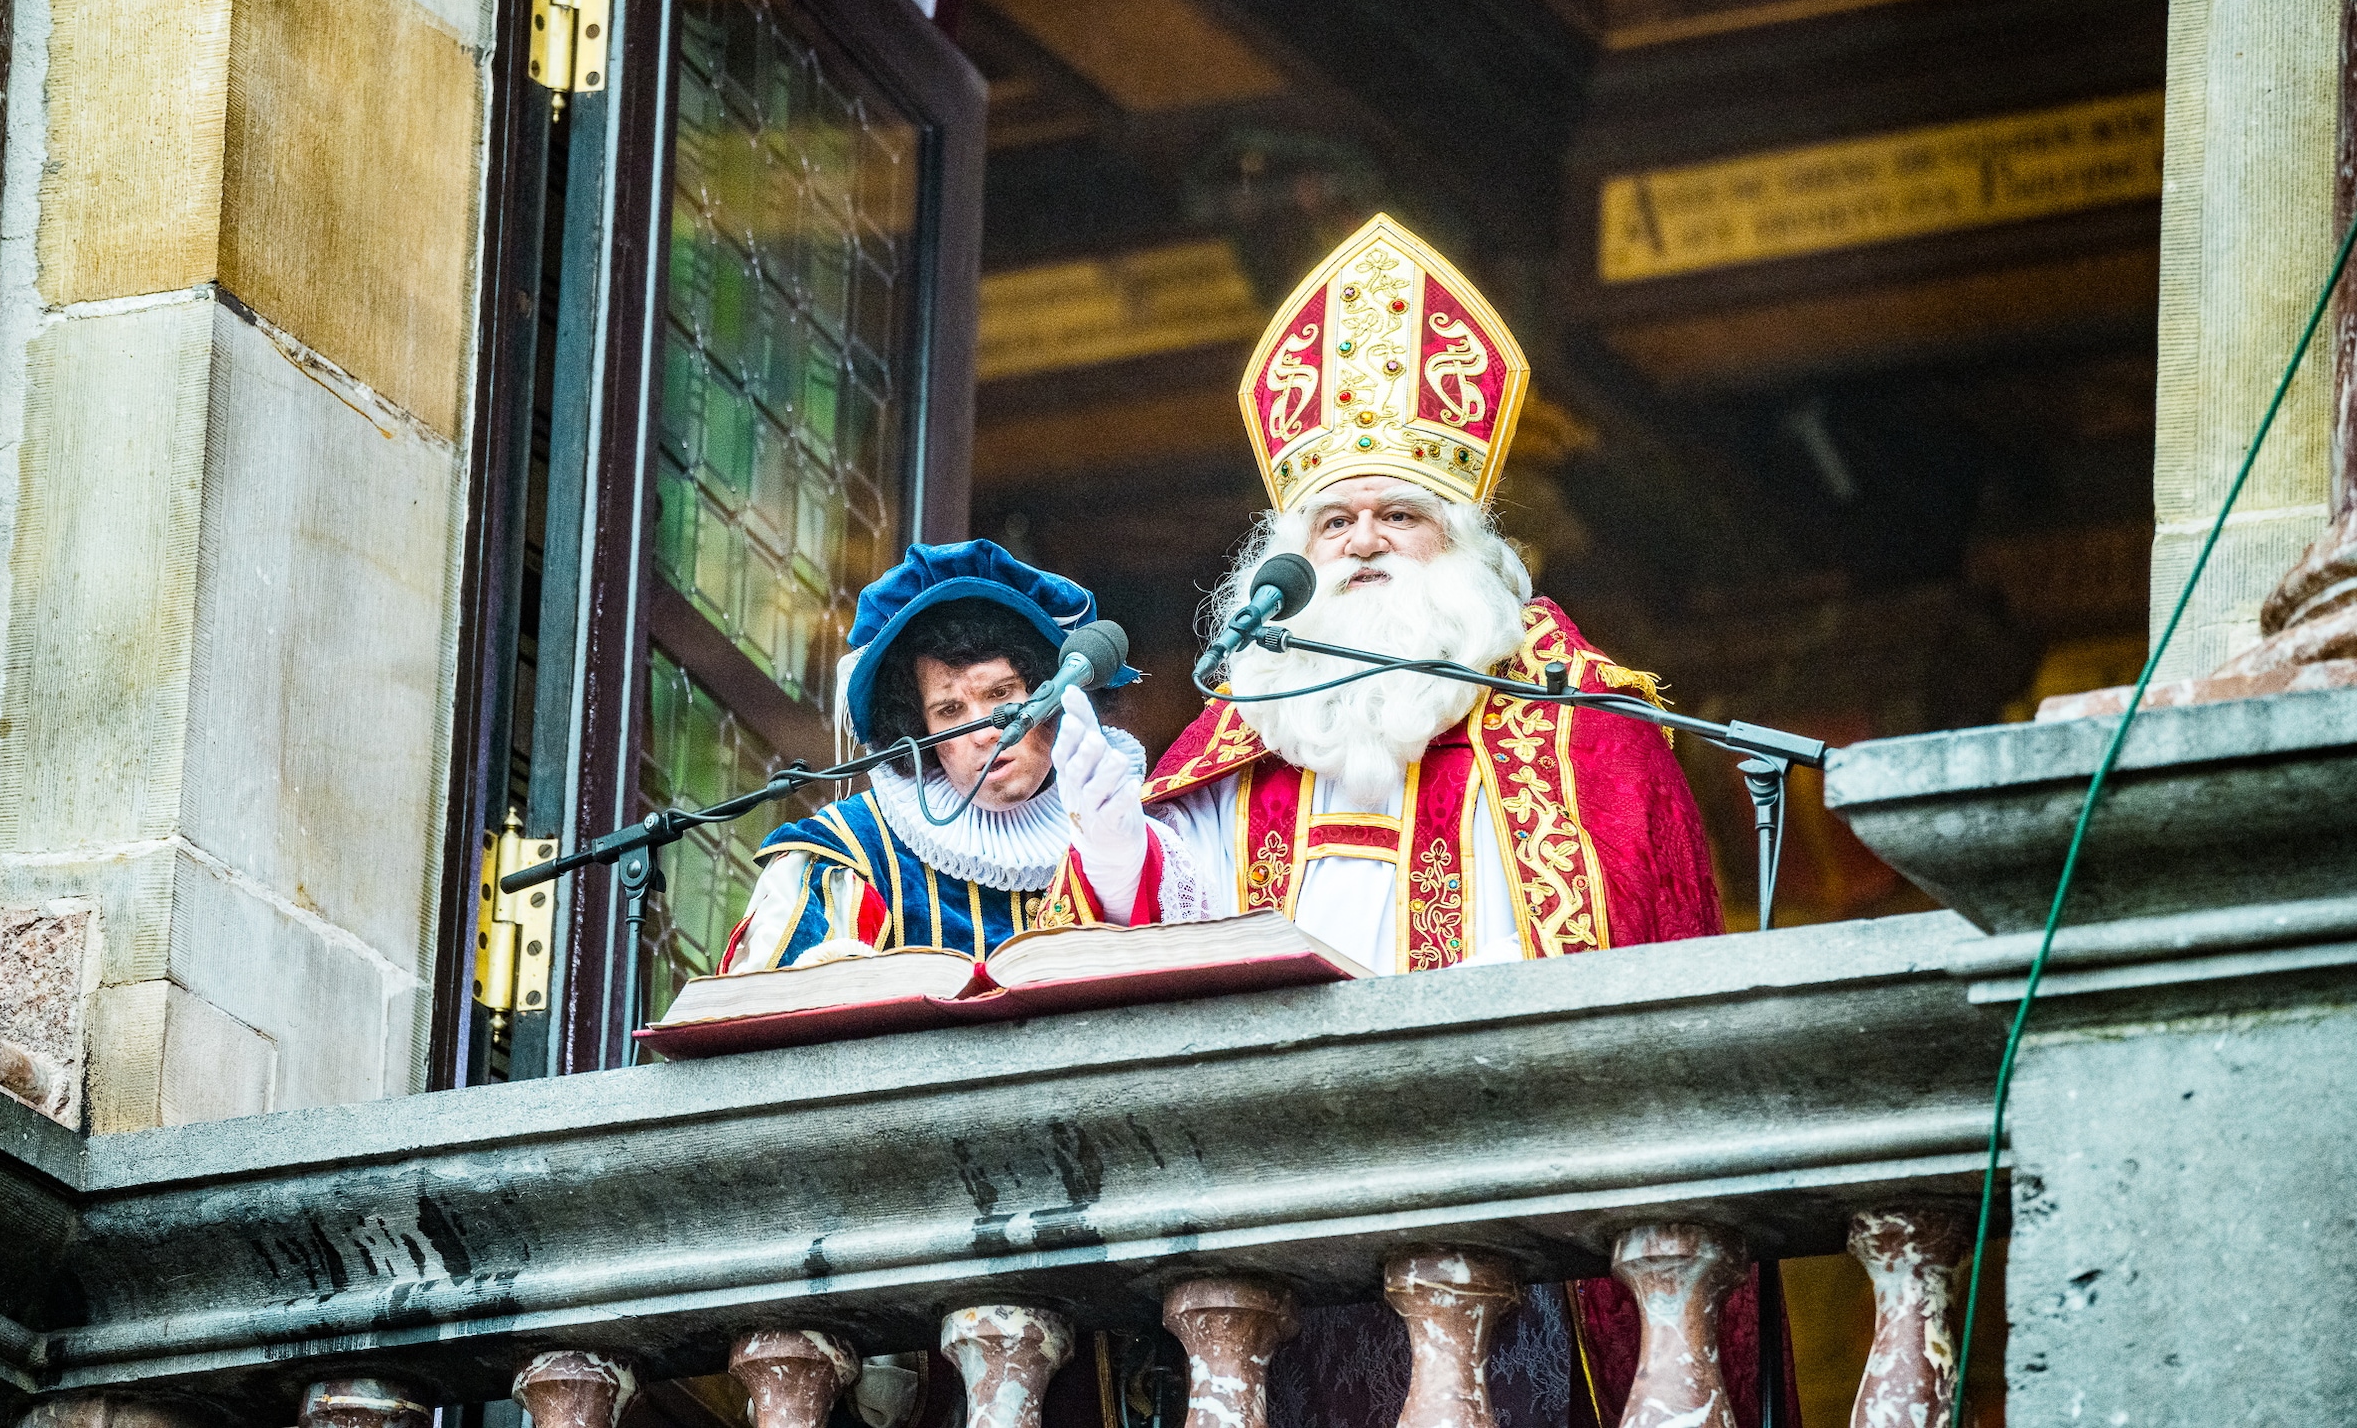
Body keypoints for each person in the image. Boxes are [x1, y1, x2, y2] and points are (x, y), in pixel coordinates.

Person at [1039, 214, 1797, 1428]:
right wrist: (1112, 841)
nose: (1362, 543)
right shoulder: (1240, 741)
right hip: (1268, 1255)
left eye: (1399, 515)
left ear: (1465, 547)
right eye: (1333, 524)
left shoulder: (1582, 734)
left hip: (1509, 1244)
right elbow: (1145, 951)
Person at [720, 541, 1145, 973]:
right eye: (950, 711)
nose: (985, 733)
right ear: (916, 729)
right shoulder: (852, 850)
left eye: (1001, 694)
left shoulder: (1138, 824)